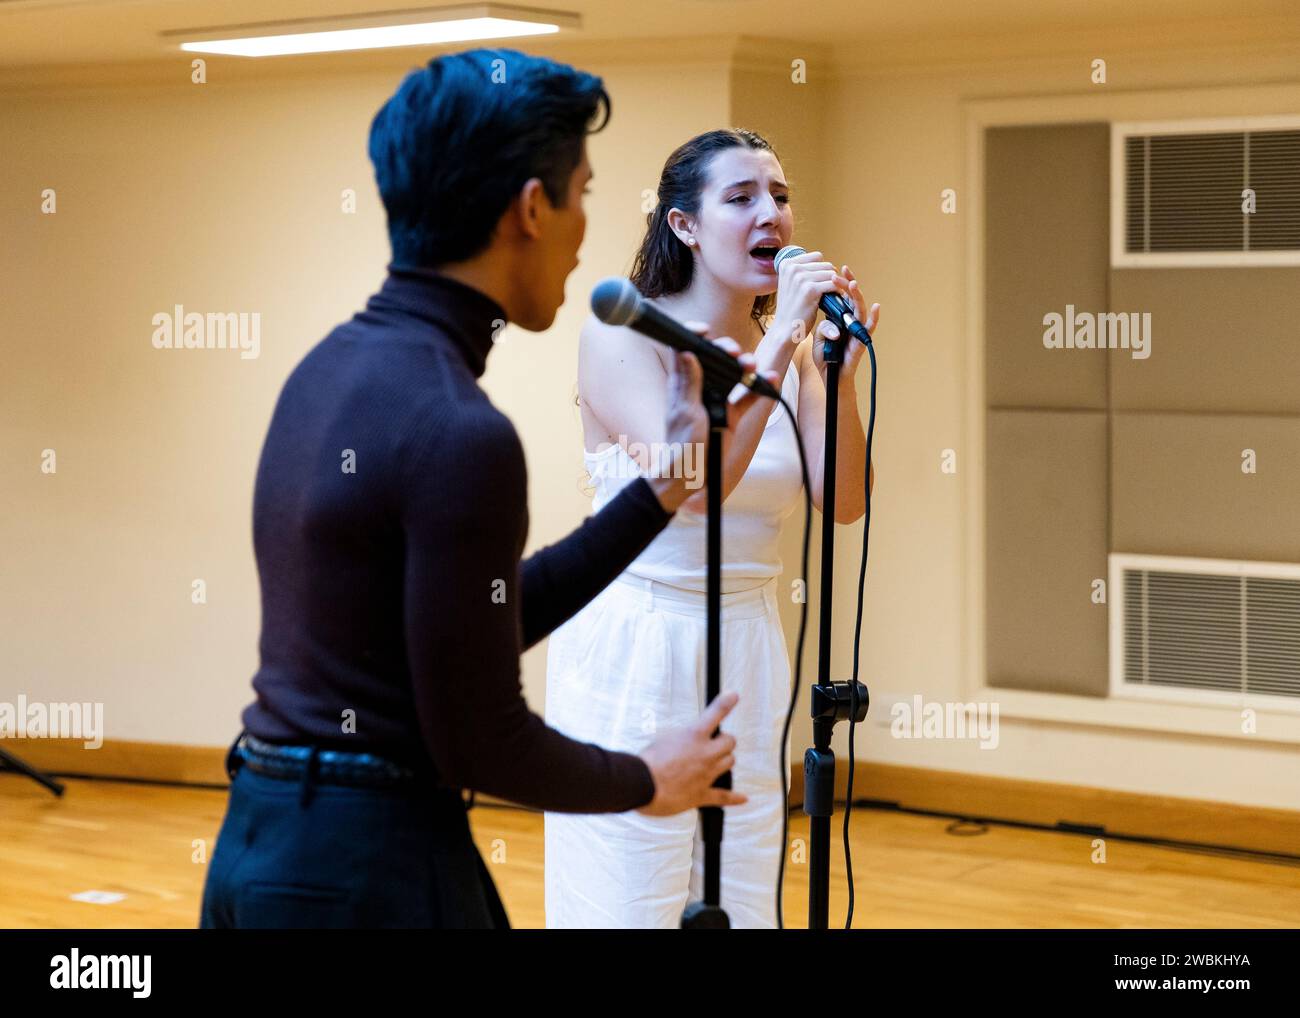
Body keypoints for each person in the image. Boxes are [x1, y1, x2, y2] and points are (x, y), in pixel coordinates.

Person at [198, 50, 780, 930]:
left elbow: (486, 617)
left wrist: (662, 490)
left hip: (264, 841)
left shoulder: (330, 370)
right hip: (368, 872)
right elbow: (477, 734)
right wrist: (644, 780)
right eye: (581, 194)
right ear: (532, 209)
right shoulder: (459, 430)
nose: (587, 233)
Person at [544, 128, 881, 928]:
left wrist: (837, 378)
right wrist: (781, 350)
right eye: (741, 198)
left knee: (738, 896)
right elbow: (693, 488)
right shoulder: (625, 333)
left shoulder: (788, 353)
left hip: (748, 639)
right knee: (627, 895)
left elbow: (845, 500)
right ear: (683, 226)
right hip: (638, 634)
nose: (772, 213)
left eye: (780, 196)